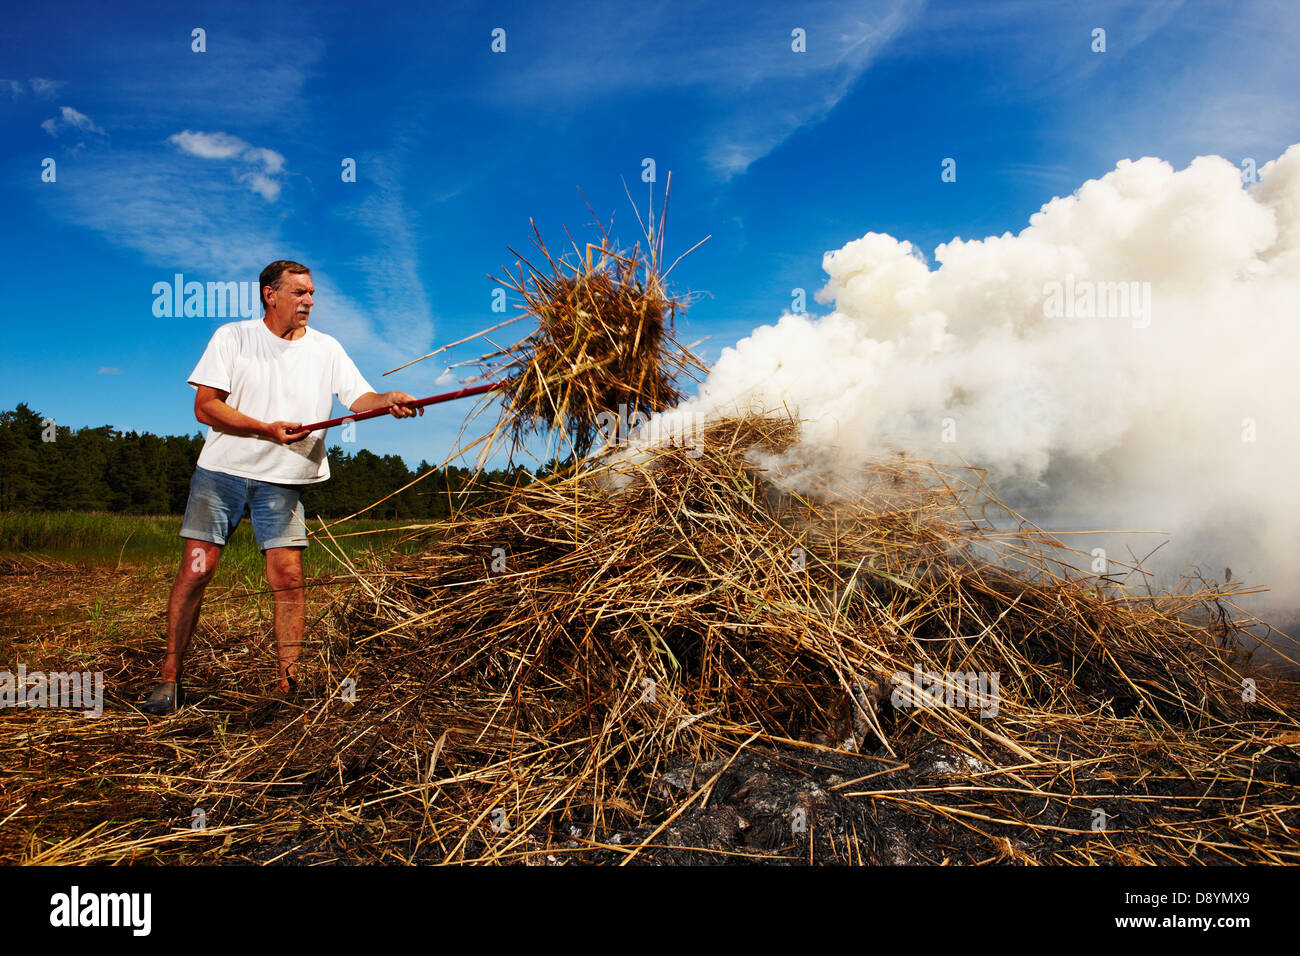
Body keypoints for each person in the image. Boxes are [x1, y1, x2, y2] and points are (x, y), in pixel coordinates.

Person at [140, 260, 422, 715]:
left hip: (284, 480)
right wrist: (265, 429)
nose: (309, 301)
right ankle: (169, 679)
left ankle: (287, 689)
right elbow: (206, 407)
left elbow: (358, 398)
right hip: (222, 473)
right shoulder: (233, 338)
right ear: (270, 295)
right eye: (299, 293)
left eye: (311, 293)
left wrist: (385, 400)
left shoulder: (327, 348)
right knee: (197, 570)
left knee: (288, 579)